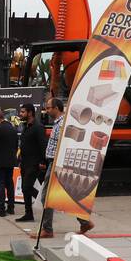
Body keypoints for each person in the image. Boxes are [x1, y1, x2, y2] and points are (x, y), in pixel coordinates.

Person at [38, 96, 94, 238]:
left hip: (57, 163)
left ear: (56, 108)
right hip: (54, 162)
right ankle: (84, 222)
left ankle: (47, 229)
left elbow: (65, 143)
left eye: (48, 108)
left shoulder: (63, 123)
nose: (46, 110)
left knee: (47, 197)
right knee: (65, 195)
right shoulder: (58, 123)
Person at [15, 102, 47, 223]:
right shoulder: (26, 126)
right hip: (24, 163)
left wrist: (42, 161)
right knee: (25, 189)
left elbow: (43, 145)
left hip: (34, 163)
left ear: (30, 113)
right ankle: (29, 214)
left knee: (27, 187)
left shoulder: (38, 127)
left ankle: (45, 203)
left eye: (23, 112)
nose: (20, 114)